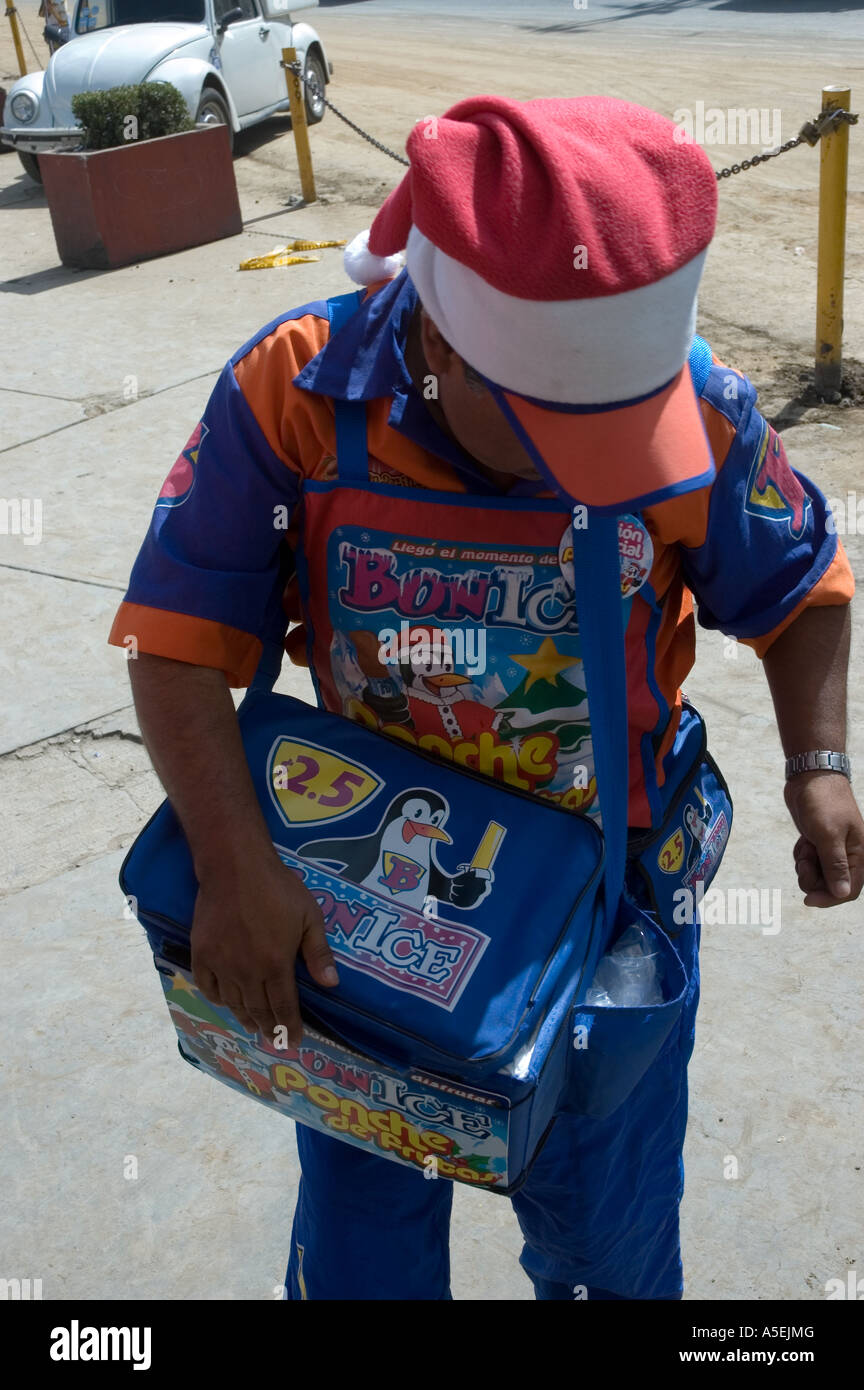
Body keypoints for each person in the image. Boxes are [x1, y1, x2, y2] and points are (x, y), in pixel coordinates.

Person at [109, 95, 861, 1300]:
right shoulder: (291, 394)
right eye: (552, 432)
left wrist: (818, 765)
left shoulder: (697, 403)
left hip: (605, 922)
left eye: (619, 435)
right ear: (442, 341)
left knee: (608, 1256)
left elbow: (799, 585)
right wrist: (240, 870)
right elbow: (177, 649)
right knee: (365, 1258)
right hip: (362, 929)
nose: (590, 469)